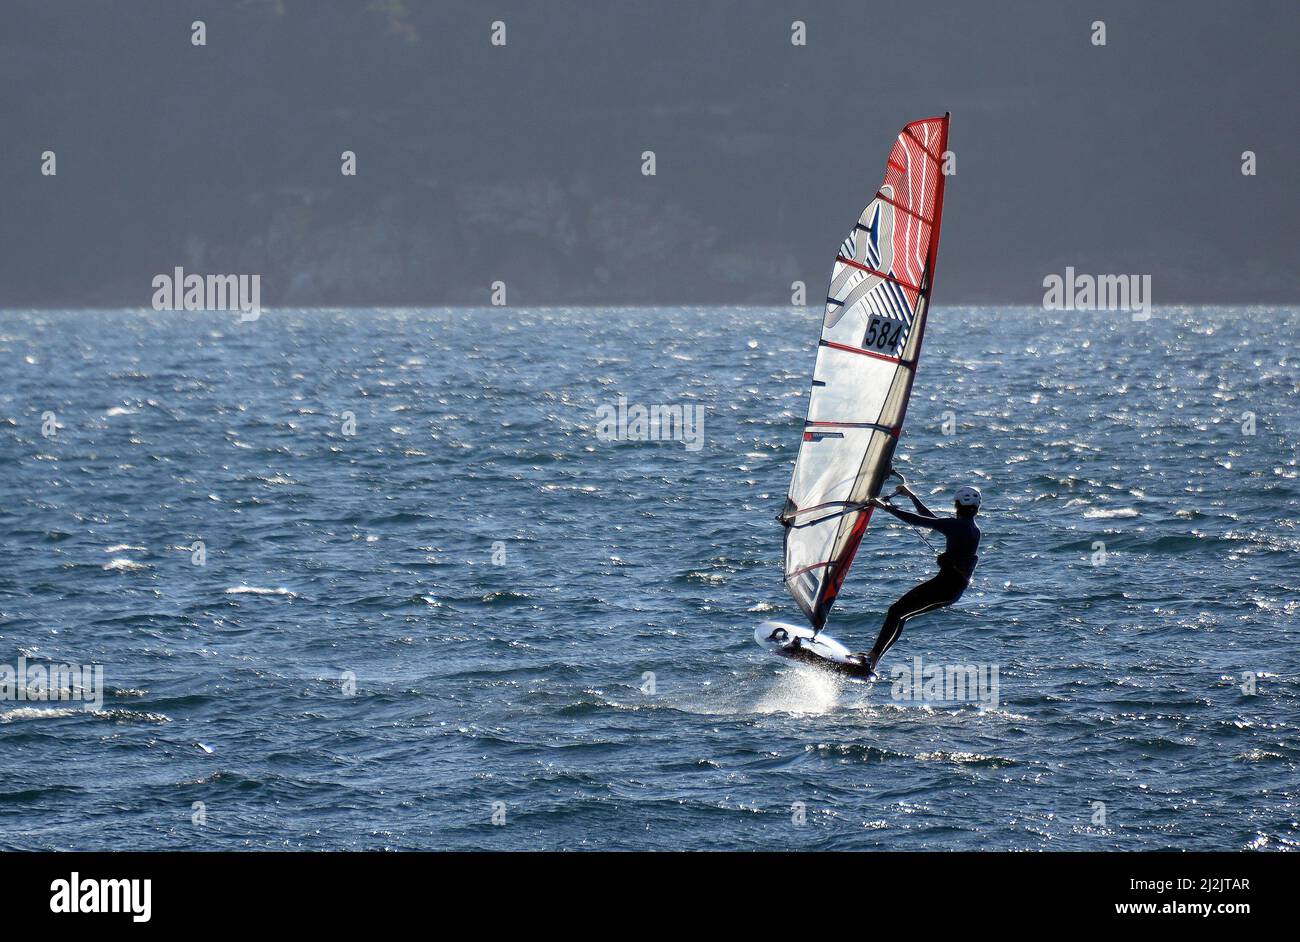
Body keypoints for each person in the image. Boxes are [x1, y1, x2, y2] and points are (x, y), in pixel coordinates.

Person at [855, 476, 982, 675]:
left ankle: (873, 656)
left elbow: (920, 521)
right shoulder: (971, 528)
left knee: (895, 611)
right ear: (977, 507)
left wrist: (887, 508)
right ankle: (874, 658)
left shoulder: (956, 525)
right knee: (900, 615)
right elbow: (932, 520)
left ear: (956, 505)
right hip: (953, 590)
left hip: (945, 585)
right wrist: (912, 497)